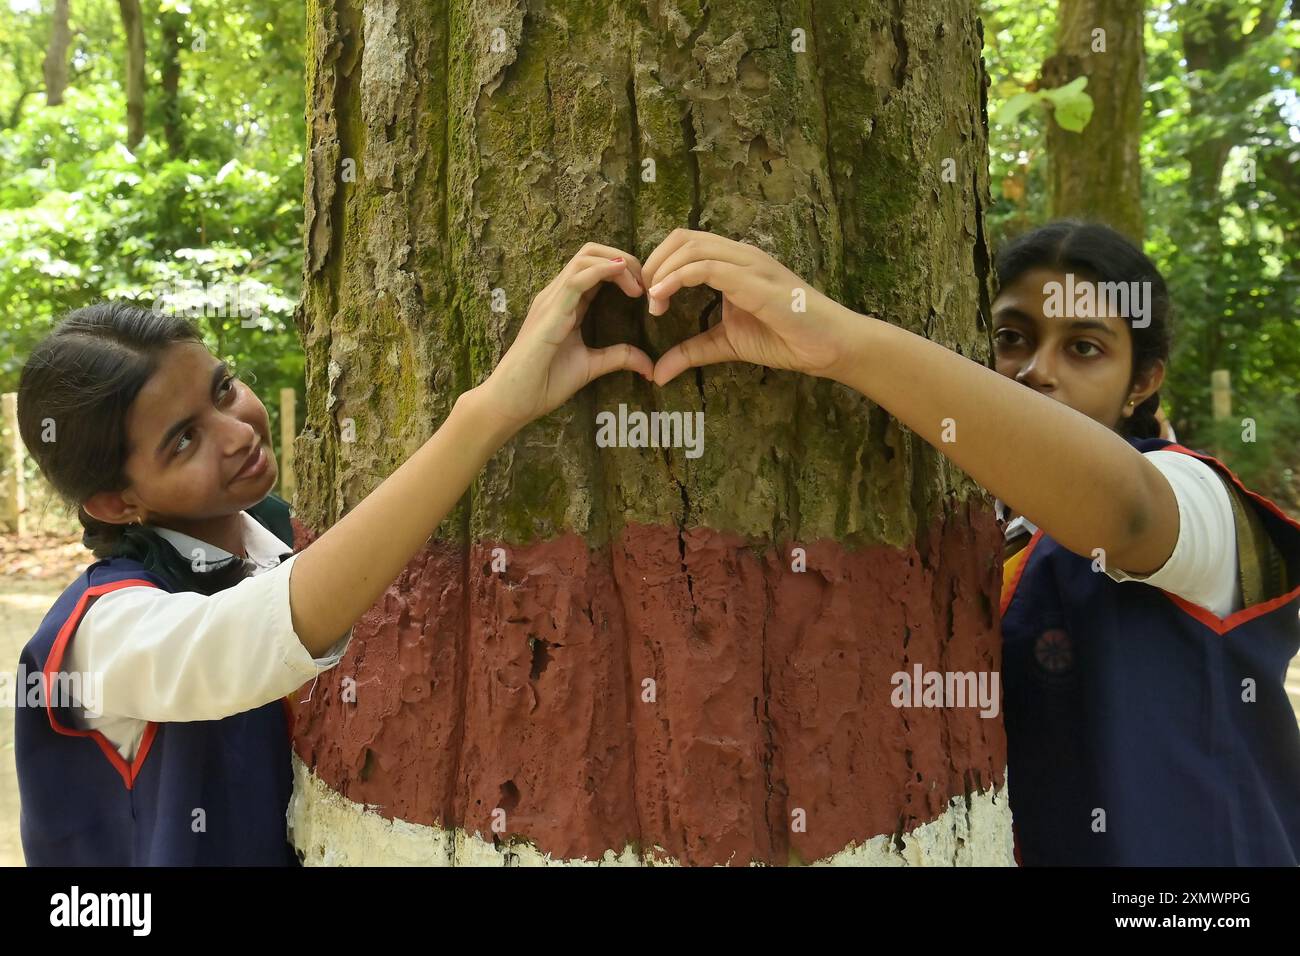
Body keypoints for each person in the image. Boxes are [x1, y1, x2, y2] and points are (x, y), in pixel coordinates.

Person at [637, 220, 1300, 865]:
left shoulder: (1196, 498)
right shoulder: (980, 529)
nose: (1037, 370)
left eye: (1085, 348)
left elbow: (1125, 511)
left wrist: (841, 342)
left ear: (1144, 380)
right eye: (1013, 338)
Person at [14, 245, 652, 865]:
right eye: (184, 441)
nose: (238, 433)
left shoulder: (287, 532)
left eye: (224, 390)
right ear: (115, 503)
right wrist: (490, 412)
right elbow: (250, 636)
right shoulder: (100, 635)